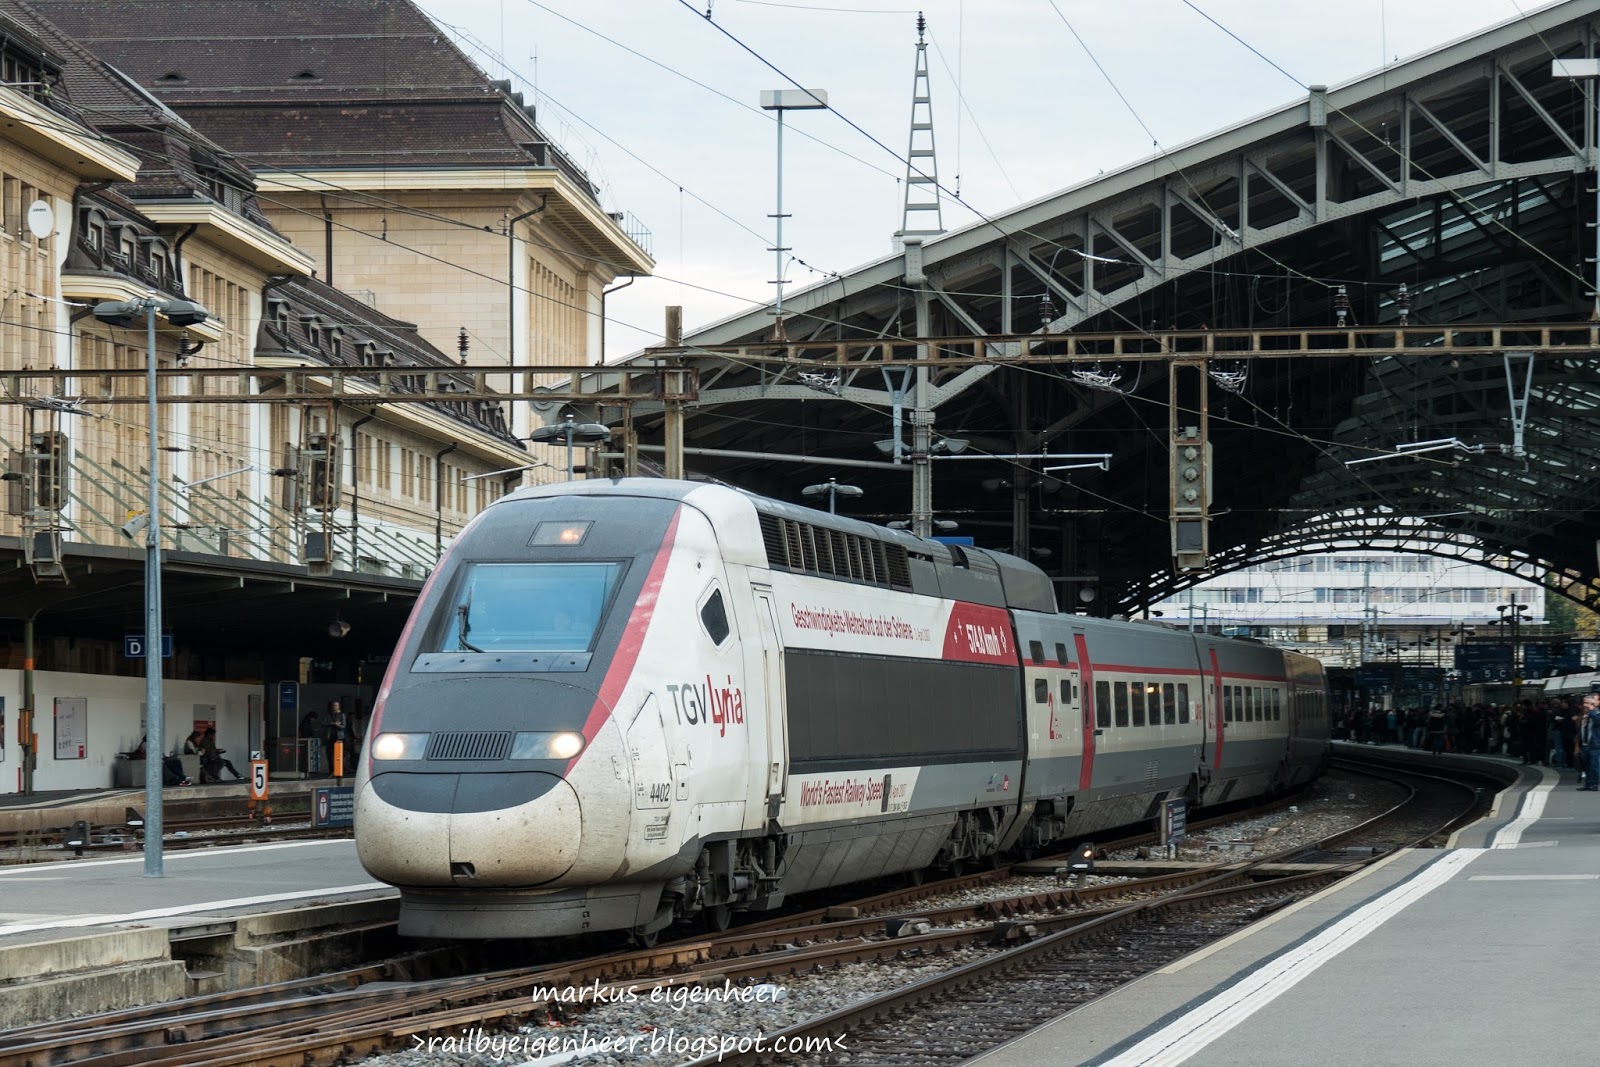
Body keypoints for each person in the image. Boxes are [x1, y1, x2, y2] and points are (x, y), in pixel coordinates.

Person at [1581, 696, 1600, 791]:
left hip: (1594, 744)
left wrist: (1592, 711)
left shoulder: (1596, 714)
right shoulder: (1585, 715)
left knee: (1594, 765)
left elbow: (1597, 722)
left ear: (1592, 704)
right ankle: (1588, 784)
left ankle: (1595, 783)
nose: (1585, 705)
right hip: (1585, 744)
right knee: (1586, 765)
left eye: (1587, 703)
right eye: (1584, 703)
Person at [324, 701, 348, 775]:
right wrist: (333, 723)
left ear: (338, 706)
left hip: (339, 736)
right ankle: (331, 770)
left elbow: (343, 726)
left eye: (336, 705)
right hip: (330, 736)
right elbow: (324, 723)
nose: (335, 707)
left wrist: (337, 725)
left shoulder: (341, 715)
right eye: (333, 705)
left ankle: (342, 769)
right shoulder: (329, 715)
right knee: (329, 754)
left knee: (339, 754)